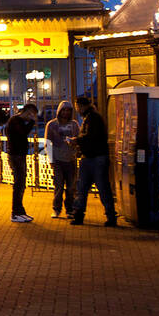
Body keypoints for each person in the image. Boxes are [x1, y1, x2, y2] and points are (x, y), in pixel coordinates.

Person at [70, 95, 117, 226]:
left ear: (81, 106)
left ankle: (79, 215)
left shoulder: (91, 118)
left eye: (77, 107)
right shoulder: (92, 117)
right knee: (98, 187)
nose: (77, 109)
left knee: (86, 188)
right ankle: (110, 216)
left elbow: (90, 137)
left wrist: (77, 141)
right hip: (95, 157)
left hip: (94, 158)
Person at [45, 101, 79, 219]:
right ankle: (57, 209)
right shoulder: (52, 124)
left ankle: (69, 209)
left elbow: (79, 139)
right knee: (58, 187)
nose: (66, 112)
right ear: (59, 111)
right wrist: (51, 160)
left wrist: (75, 144)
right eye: (64, 110)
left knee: (71, 187)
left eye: (68, 110)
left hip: (71, 159)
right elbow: (48, 143)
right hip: (58, 160)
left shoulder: (74, 124)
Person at [5, 103, 37, 223]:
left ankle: (20, 211)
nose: (32, 117)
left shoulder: (17, 121)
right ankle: (16, 212)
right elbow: (23, 132)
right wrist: (32, 122)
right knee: (19, 184)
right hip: (16, 155)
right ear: (27, 111)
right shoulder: (15, 121)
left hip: (19, 155)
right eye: (31, 114)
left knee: (21, 183)